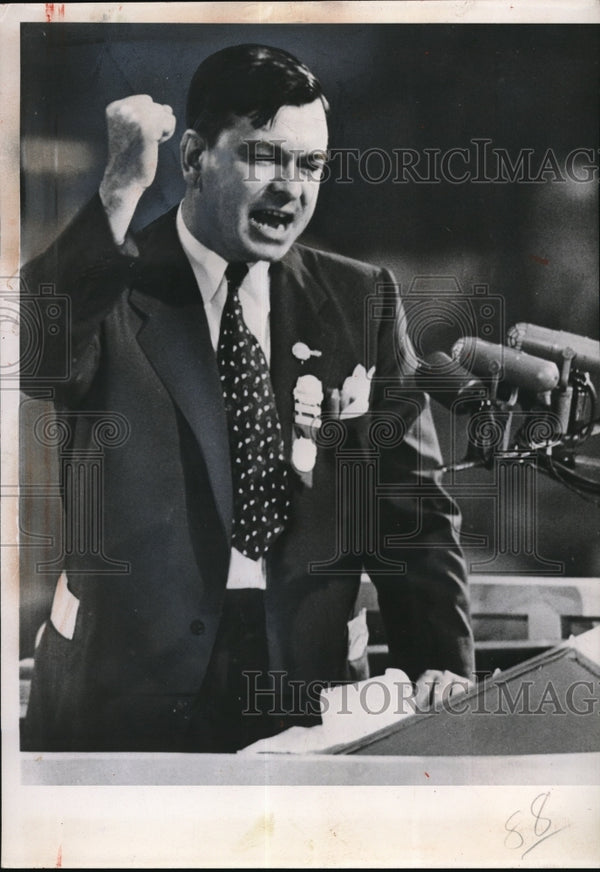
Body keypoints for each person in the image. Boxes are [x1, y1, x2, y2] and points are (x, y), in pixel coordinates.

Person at [21, 43, 474, 752]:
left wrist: (440, 664)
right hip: (122, 698)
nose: (290, 188)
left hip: (309, 692)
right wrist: (118, 190)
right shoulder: (111, 285)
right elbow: (39, 360)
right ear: (193, 157)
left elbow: (412, 509)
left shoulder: (362, 299)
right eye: (265, 157)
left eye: (311, 165)